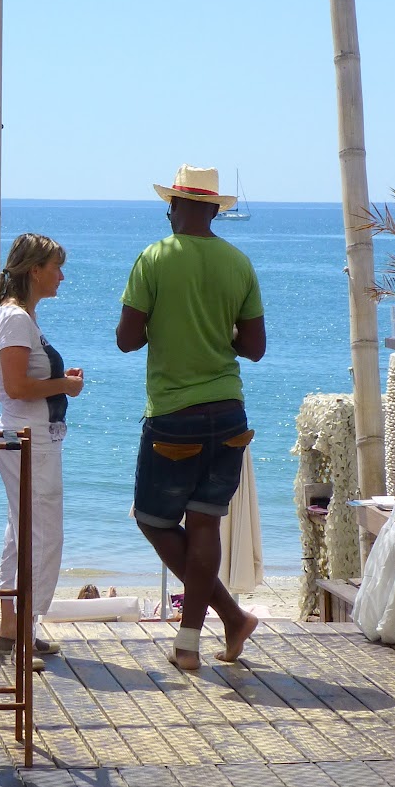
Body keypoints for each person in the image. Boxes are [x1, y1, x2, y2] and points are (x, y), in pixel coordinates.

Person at [116, 164, 266, 671]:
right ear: (214, 210)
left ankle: (226, 620)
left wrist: (166, 323)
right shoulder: (238, 263)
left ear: (180, 206)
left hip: (173, 414)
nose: (168, 212)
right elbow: (255, 348)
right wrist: (214, 331)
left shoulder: (154, 257)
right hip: (228, 412)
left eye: (170, 205)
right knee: (205, 522)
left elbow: (126, 339)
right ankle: (194, 640)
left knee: (152, 519)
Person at [0, 233, 84, 668]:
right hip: (28, 438)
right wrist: (64, 384)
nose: (61, 276)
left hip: (27, 436)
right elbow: (15, 386)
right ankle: (24, 631)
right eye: (55, 267)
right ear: (35, 271)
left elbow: (20, 379)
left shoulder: (19, 317)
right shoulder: (15, 318)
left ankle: (13, 629)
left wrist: (58, 381)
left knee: (22, 530)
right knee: (43, 534)